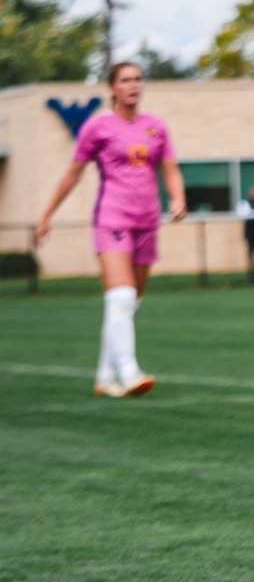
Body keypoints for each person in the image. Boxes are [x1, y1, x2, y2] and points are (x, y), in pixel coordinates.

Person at [34, 62, 185, 397]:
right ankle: (129, 373)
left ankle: (104, 376)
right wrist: (47, 215)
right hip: (112, 218)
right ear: (112, 88)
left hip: (147, 222)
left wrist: (177, 198)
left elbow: (170, 169)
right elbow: (72, 174)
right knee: (121, 295)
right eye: (126, 80)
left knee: (127, 304)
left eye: (138, 79)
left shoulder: (156, 127)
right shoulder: (97, 126)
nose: (134, 85)